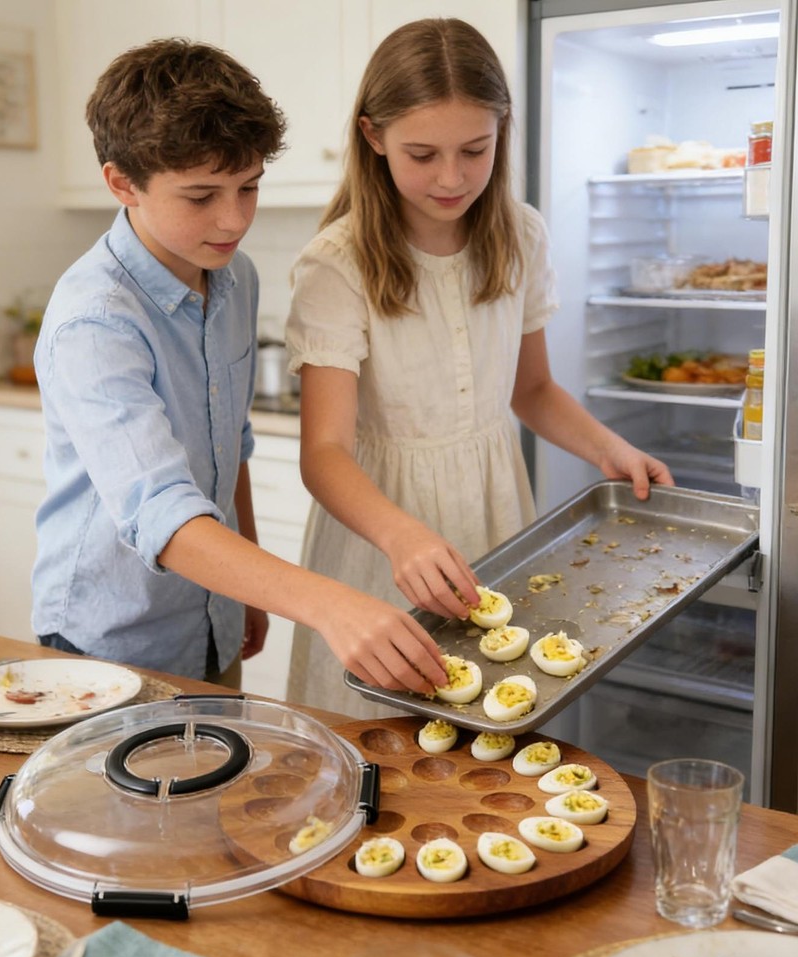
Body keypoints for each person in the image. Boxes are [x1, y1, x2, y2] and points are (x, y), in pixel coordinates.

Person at [30, 37, 450, 698]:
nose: (233, 219)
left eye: (249, 187)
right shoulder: (95, 321)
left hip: (213, 617)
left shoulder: (233, 277)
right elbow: (161, 512)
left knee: (215, 769)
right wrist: (327, 603)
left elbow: (231, 444)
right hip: (110, 640)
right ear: (122, 183)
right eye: (201, 196)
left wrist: (247, 589)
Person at [284, 18, 674, 717]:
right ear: (373, 136)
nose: (452, 177)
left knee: (494, 724)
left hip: (494, 519)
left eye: (475, 149)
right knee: (381, 734)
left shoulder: (520, 235)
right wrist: (401, 535)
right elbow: (324, 452)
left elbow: (533, 390)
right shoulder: (338, 264)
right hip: (380, 539)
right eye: (423, 154)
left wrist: (608, 449)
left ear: (502, 129)